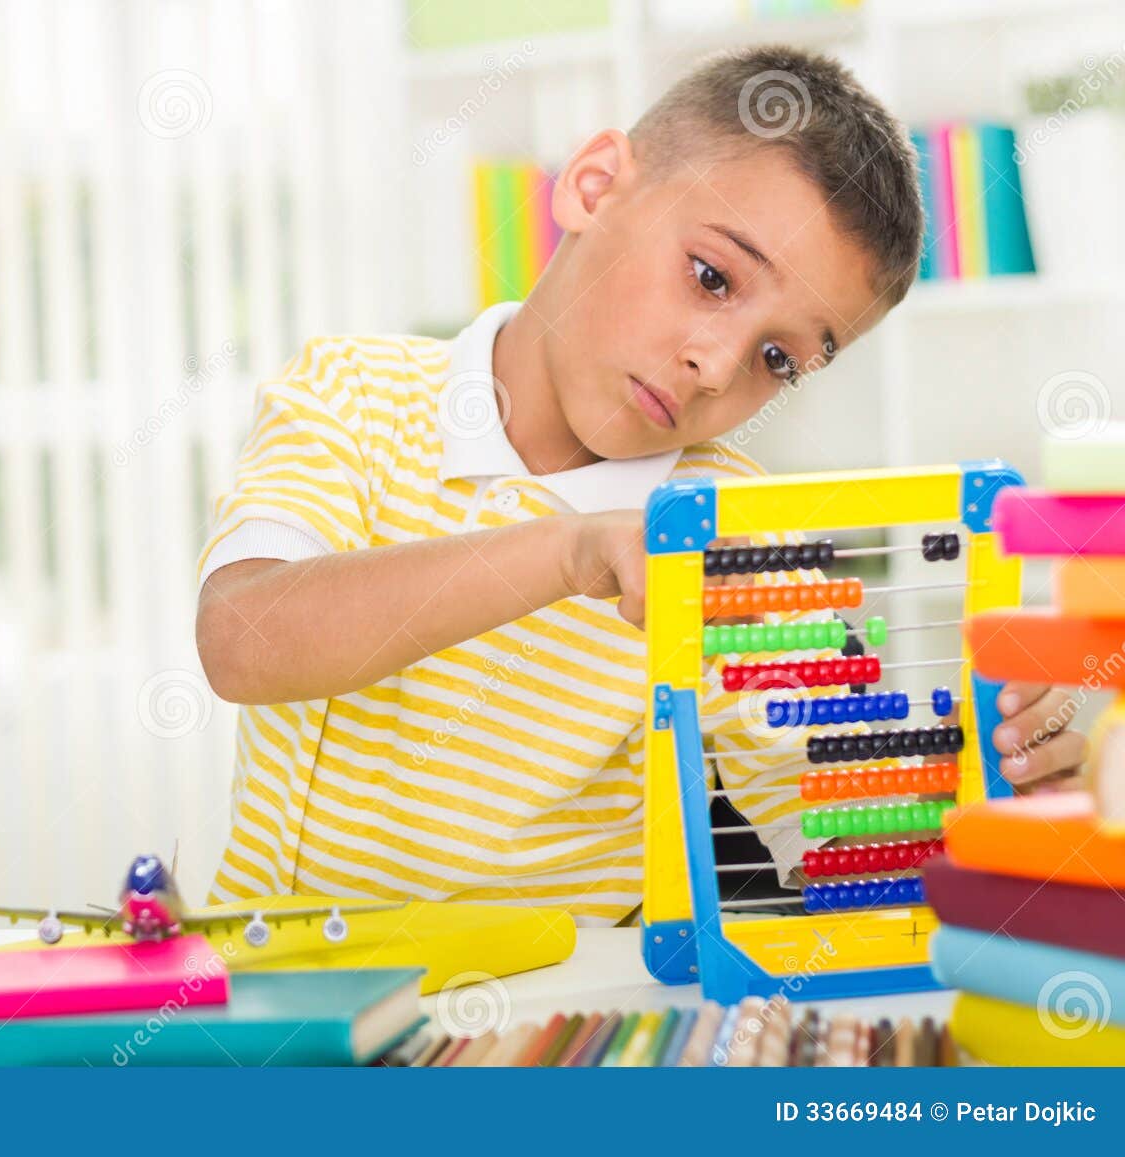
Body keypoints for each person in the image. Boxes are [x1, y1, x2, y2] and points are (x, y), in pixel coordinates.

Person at [194, 46, 1083, 920]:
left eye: (778, 358)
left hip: (551, 1026)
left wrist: (1012, 793)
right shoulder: (351, 393)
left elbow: (857, 854)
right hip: (282, 1001)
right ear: (592, 187)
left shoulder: (737, 543)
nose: (715, 365)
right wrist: (569, 548)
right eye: (711, 276)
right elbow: (244, 639)